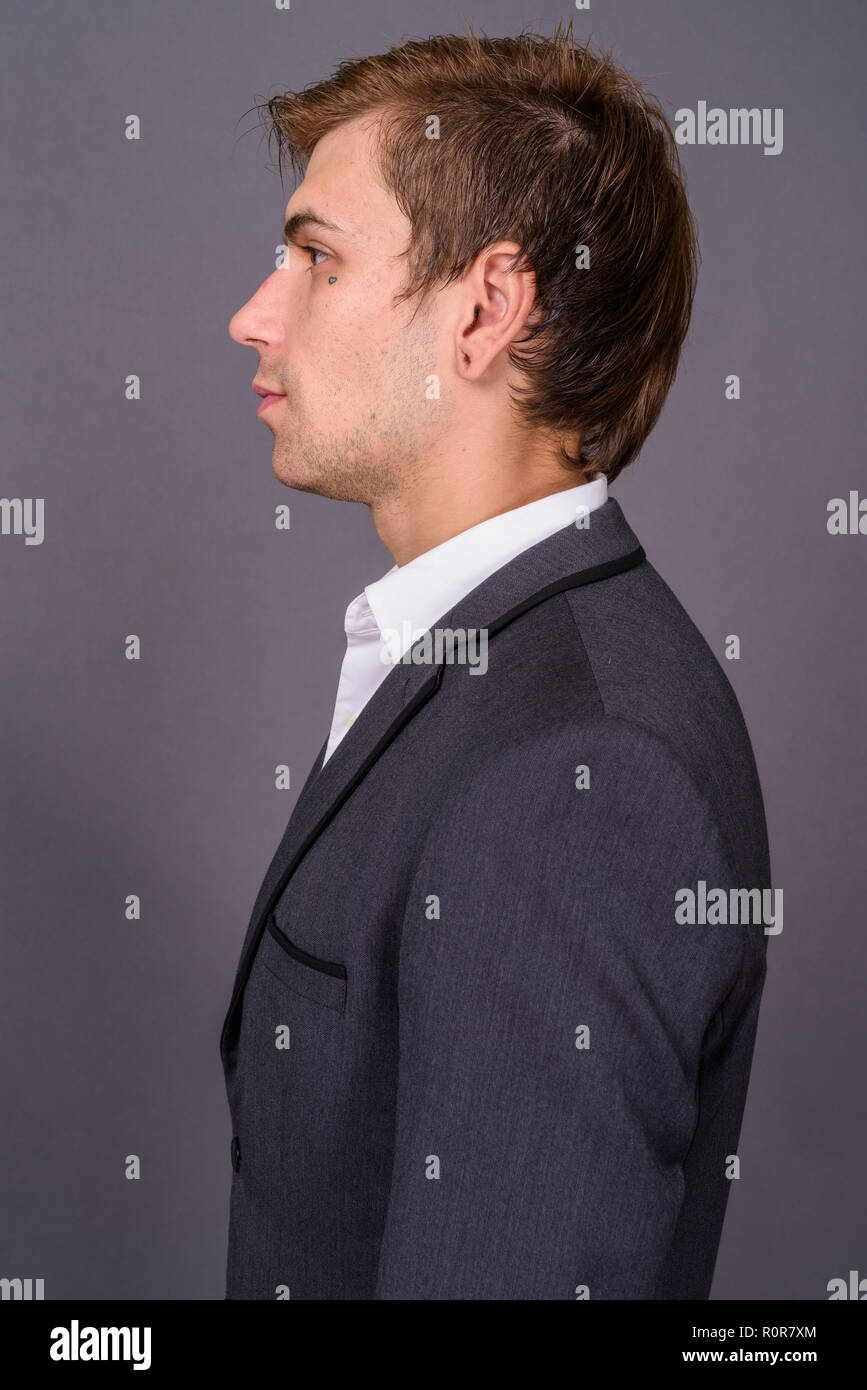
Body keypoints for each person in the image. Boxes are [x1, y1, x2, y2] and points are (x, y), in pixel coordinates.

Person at [221, 22, 770, 1300]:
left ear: (485, 308)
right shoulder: (498, 669)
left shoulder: (582, 771)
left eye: (315, 257)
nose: (253, 315)